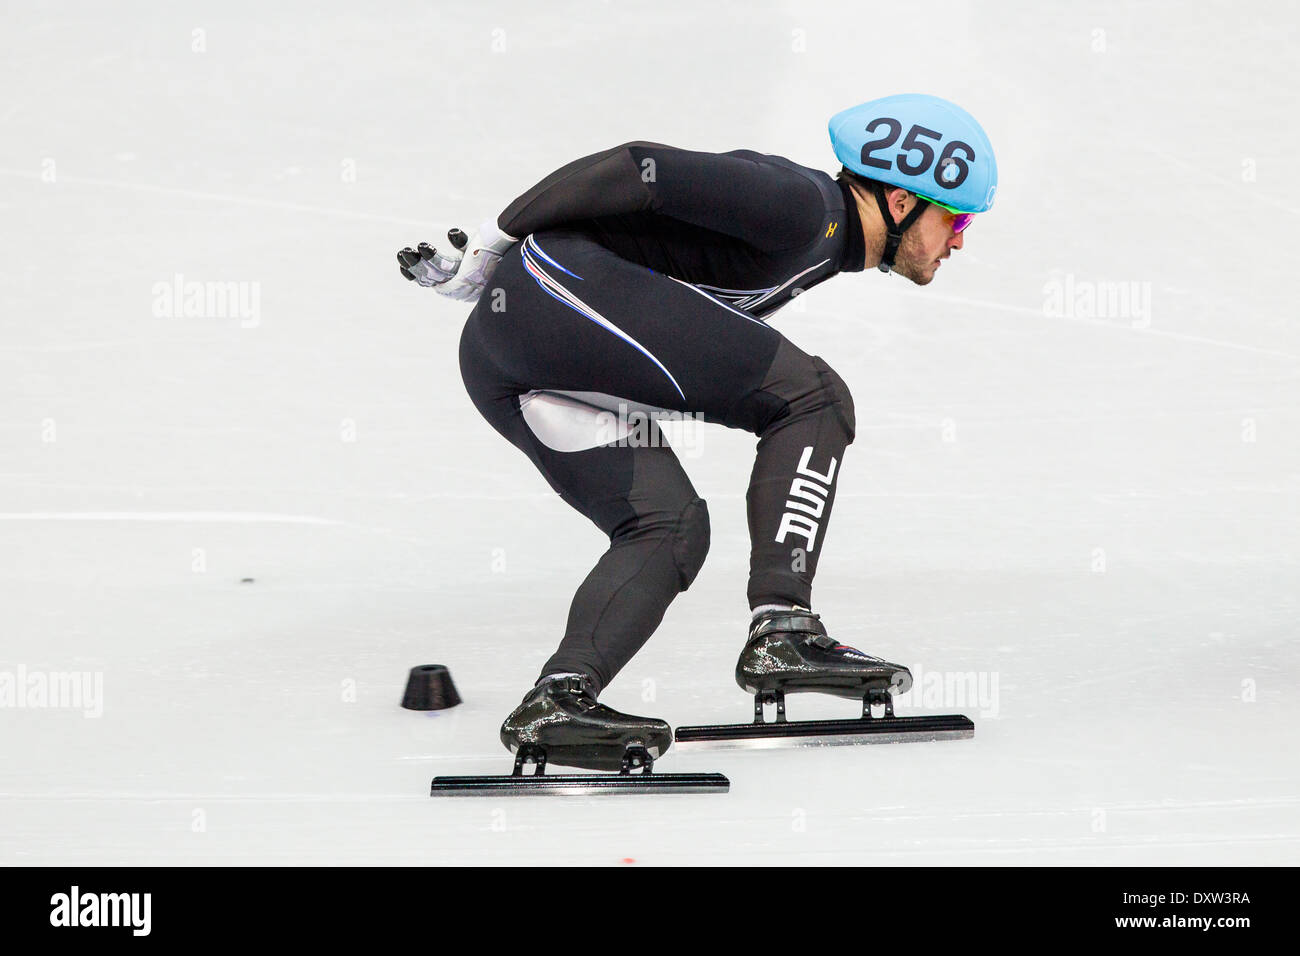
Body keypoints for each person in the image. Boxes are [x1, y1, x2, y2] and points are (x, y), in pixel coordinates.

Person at [399, 93, 997, 772]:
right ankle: (784, 629)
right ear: (899, 202)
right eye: (958, 216)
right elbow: (639, 166)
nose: (959, 240)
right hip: (556, 290)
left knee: (670, 527)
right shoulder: (803, 207)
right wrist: (494, 239)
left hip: (504, 357)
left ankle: (558, 698)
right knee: (814, 399)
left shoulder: (820, 244)